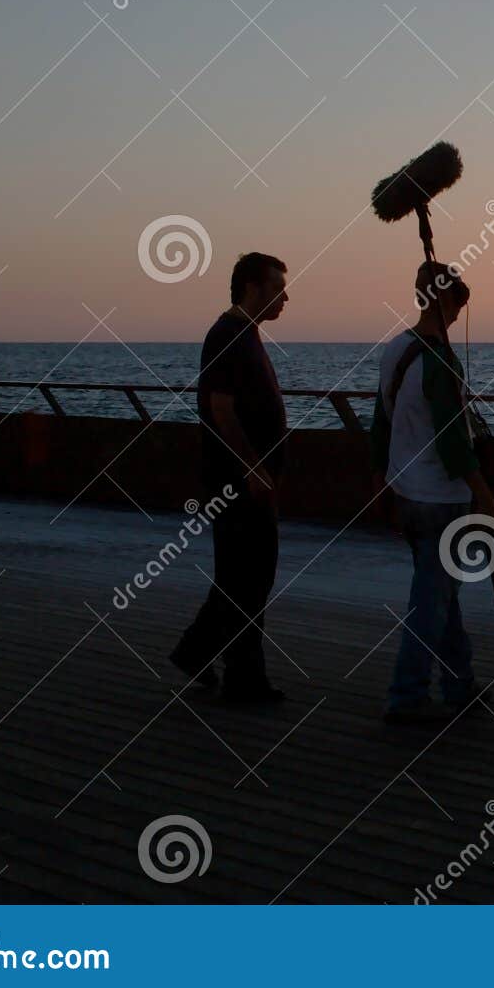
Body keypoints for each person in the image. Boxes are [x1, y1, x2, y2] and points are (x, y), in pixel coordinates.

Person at [371, 260, 494, 724]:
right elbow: (452, 439)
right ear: (447, 301)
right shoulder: (440, 359)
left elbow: (379, 423)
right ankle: (406, 696)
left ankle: (459, 683)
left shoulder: (395, 350)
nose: (458, 317)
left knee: (441, 592)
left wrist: (382, 480)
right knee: (431, 599)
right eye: (458, 306)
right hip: (441, 500)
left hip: (406, 492)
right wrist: (484, 493)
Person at [170, 252, 290, 705]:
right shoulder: (227, 335)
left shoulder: (245, 335)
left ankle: (198, 652)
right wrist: (252, 467)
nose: (285, 297)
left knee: (241, 577)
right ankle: (242, 677)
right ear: (253, 288)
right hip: (237, 485)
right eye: (278, 287)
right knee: (250, 577)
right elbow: (220, 407)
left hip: (246, 482)